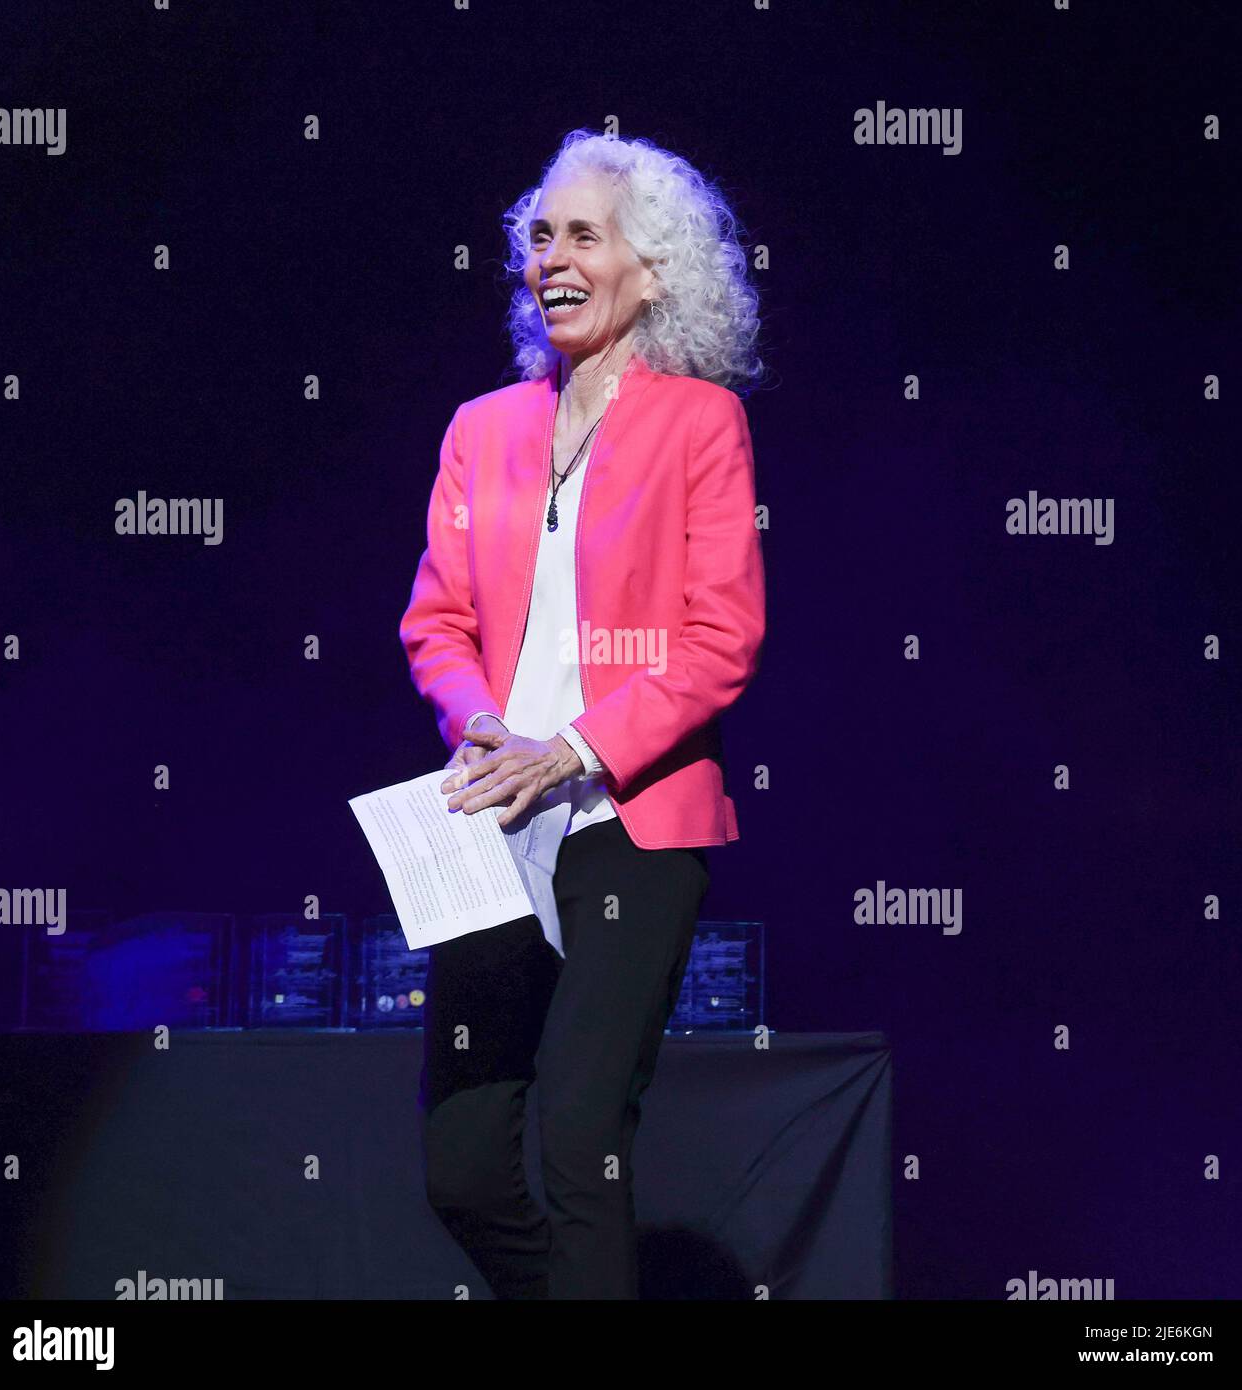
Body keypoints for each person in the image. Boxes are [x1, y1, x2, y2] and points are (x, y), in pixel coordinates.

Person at [398, 127, 765, 1299]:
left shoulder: (700, 425)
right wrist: (481, 727)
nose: (552, 257)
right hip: (497, 821)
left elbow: (721, 642)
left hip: (630, 823)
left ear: (650, 271)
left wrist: (572, 750)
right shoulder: (481, 429)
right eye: (538, 236)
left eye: (583, 236)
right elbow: (435, 624)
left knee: (576, 1140)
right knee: (461, 1165)